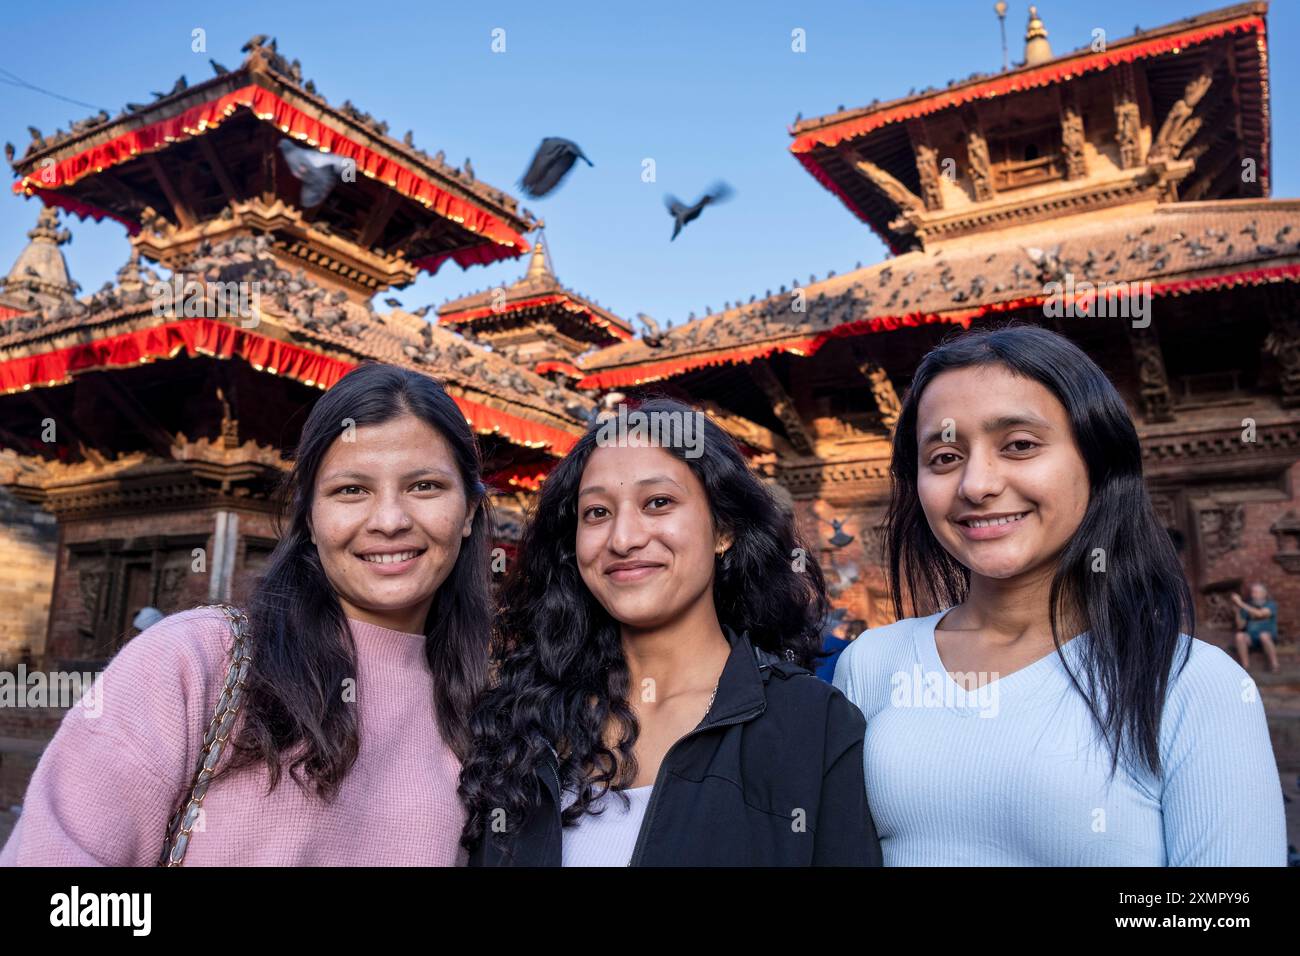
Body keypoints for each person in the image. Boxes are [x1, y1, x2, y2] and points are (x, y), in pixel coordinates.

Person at [1, 363, 491, 866]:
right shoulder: (195, 663)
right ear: (309, 516)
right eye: (351, 490)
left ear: (470, 511)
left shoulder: (490, 708)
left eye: (425, 486)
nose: (390, 520)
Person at [833, 324, 1286, 866]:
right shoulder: (872, 663)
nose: (976, 485)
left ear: (1096, 461)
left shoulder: (1193, 684)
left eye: (1019, 445)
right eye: (945, 457)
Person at [460, 397, 880, 865]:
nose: (623, 539)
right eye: (597, 513)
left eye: (658, 503)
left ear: (724, 529)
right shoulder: (523, 719)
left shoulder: (811, 725)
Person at [1232, 583, 1280, 673]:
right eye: (1252, 593)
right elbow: (1240, 626)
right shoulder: (1247, 606)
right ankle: (1245, 667)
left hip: (1268, 637)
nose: (1252, 595)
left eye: (1256, 592)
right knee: (1239, 636)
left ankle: (1275, 665)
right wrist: (1237, 611)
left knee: (1264, 636)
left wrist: (1240, 603)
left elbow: (1260, 613)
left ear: (1263, 594)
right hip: (1251, 638)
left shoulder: (1270, 604)